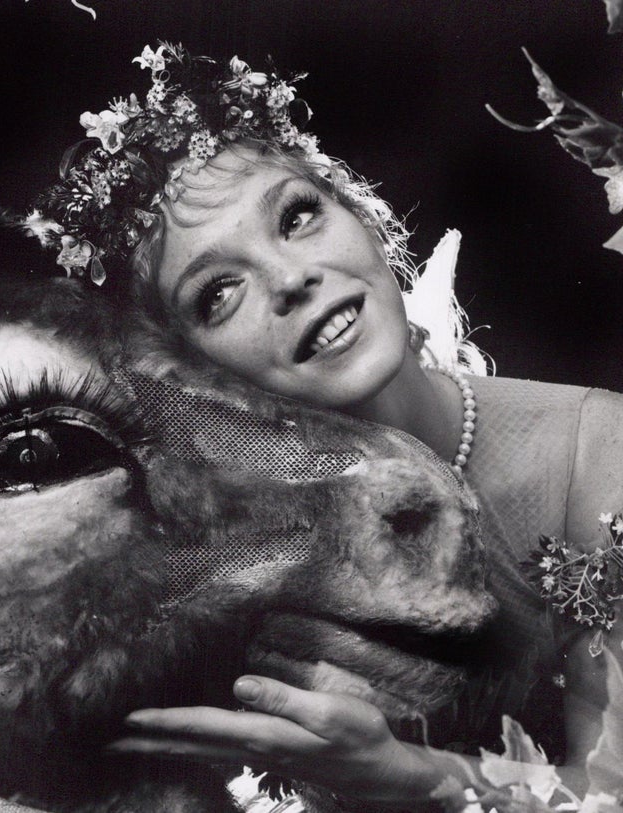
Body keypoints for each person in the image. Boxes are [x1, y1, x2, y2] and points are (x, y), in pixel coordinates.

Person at [31, 43, 623, 810]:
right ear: (185, 376)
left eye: (298, 216)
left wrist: (407, 779)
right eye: (218, 293)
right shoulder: (204, 566)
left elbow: (612, 793)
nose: (290, 279)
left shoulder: (594, 453)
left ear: (360, 212)